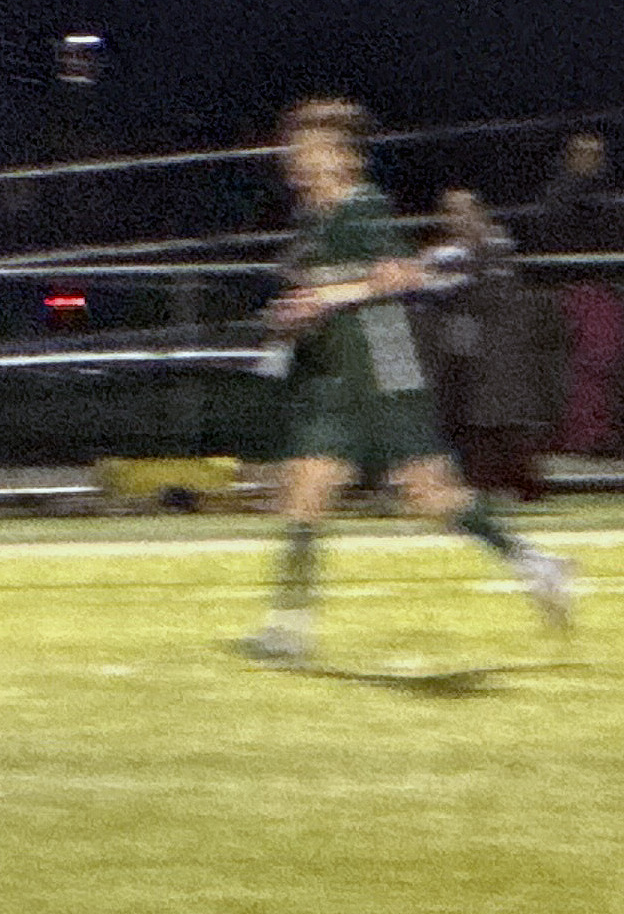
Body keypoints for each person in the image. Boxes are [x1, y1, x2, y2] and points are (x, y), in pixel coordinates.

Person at [237, 101, 572, 666]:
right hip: (337, 372)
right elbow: (321, 292)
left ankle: (535, 564)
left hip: (384, 365)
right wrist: (295, 312)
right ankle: (289, 628)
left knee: (429, 494)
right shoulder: (313, 220)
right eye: (296, 147)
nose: (296, 157)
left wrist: (330, 295)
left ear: (341, 157)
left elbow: (403, 274)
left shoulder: (362, 206)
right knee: (303, 490)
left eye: (309, 147)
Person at [417, 190, 559, 506]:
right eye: (450, 211)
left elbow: (490, 296)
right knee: (469, 418)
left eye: (462, 210)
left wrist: (455, 281)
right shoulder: (450, 252)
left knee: (501, 419)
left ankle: (523, 486)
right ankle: (485, 485)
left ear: (478, 210)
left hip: (500, 346)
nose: (456, 217)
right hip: (464, 348)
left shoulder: (494, 246)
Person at [525, 132, 624, 453]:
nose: (594, 160)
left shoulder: (590, 193)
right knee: (593, 362)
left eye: (597, 153)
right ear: (572, 155)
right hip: (583, 286)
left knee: (598, 362)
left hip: (593, 285)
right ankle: (586, 434)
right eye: (586, 153)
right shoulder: (568, 193)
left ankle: (592, 430)